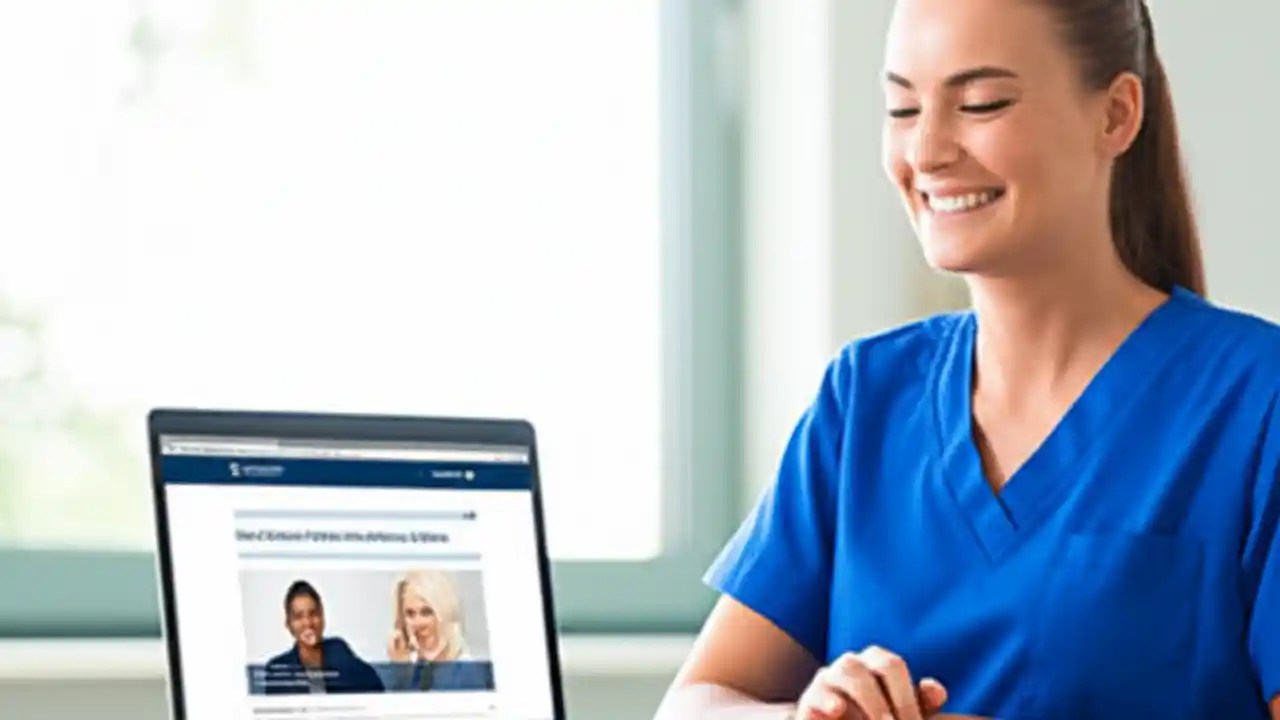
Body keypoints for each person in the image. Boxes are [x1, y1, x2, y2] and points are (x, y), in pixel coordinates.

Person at [656, 0, 1280, 718]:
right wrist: (807, 717)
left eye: (981, 103)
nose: (926, 151)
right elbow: (695, 704)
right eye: (901, 108)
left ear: (1115, 116)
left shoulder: (1257, 405)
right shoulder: (865, 400)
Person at [261, 580, 385, 695]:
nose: (308, 623)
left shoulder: (339, 650)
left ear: (322, 617)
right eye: (299, 617)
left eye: (313, 614)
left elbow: (376, 689)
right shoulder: (277, 670)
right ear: (288, 624)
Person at [384, 570, 494, 691]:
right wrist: (402, 674)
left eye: (427, 612)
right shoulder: (414, 673)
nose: (418, 623)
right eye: (410, 614)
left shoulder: (467, 674)